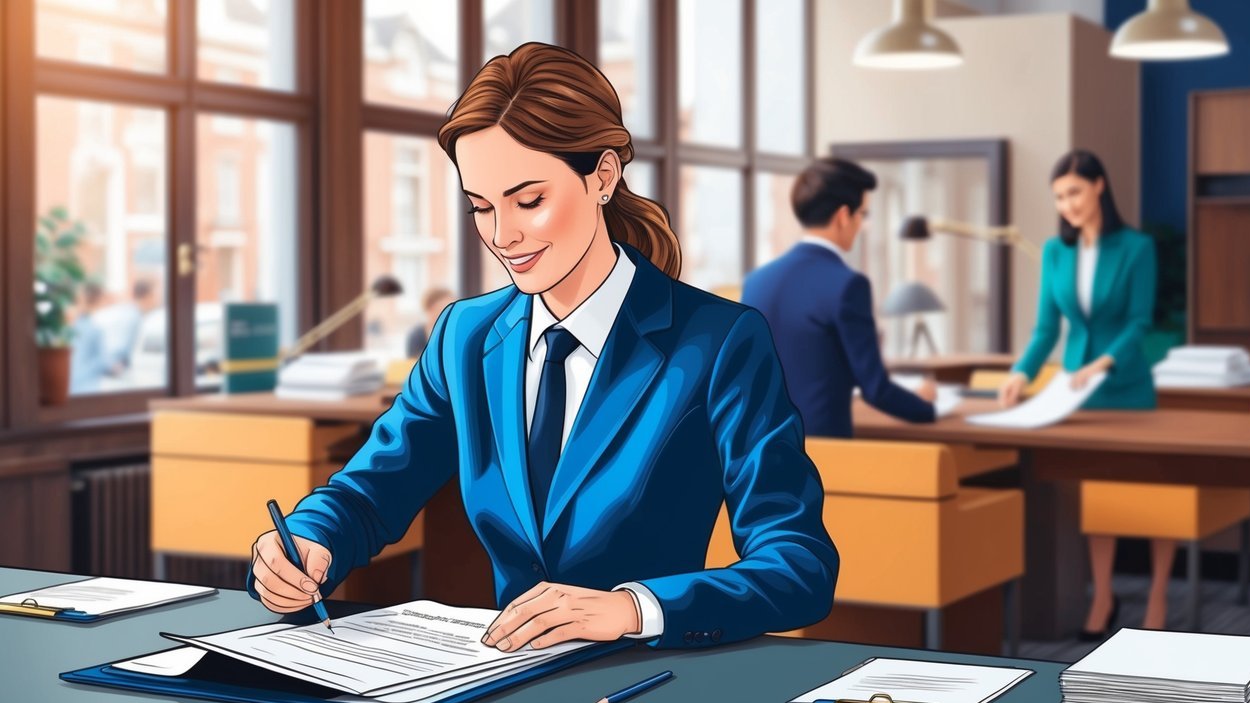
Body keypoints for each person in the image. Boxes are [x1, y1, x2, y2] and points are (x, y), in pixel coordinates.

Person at [249, 42, 837, 652]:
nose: (503, 236)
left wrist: (634, 609)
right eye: (481, 207)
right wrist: (307, 541)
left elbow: (798, 565)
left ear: (602, 176)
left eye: (530, 201)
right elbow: (370, 492)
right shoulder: (465, 336)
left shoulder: (717, 341)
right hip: (498, 687)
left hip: (646, 687)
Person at [998, 149, 1159, 638]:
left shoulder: (1136, 248)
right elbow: (1047, 327)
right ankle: (1103, 595)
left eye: (1074, 192)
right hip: (1076, 392)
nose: (1067, 204)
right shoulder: (1054, 252)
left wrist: (1104, 363)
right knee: (1096, 499)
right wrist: (1022, 373)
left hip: (1125, 387)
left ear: (1099, 187)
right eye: (1059, 197)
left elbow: (1139, 323)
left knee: (1152, 495)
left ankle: (1157, 597)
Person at [742, 158, 936, 438]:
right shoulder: (848, 285)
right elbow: (875, 389)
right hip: (825, 458)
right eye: (863, 215)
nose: (862, 226)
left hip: (760, 448)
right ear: (844, 216)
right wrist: (928, 408)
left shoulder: (756, 281)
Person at [405, 287, 455, 359]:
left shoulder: (455, 332)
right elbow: (412, 363)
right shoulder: (416, 335)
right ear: (429, 310)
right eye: (442, 308)